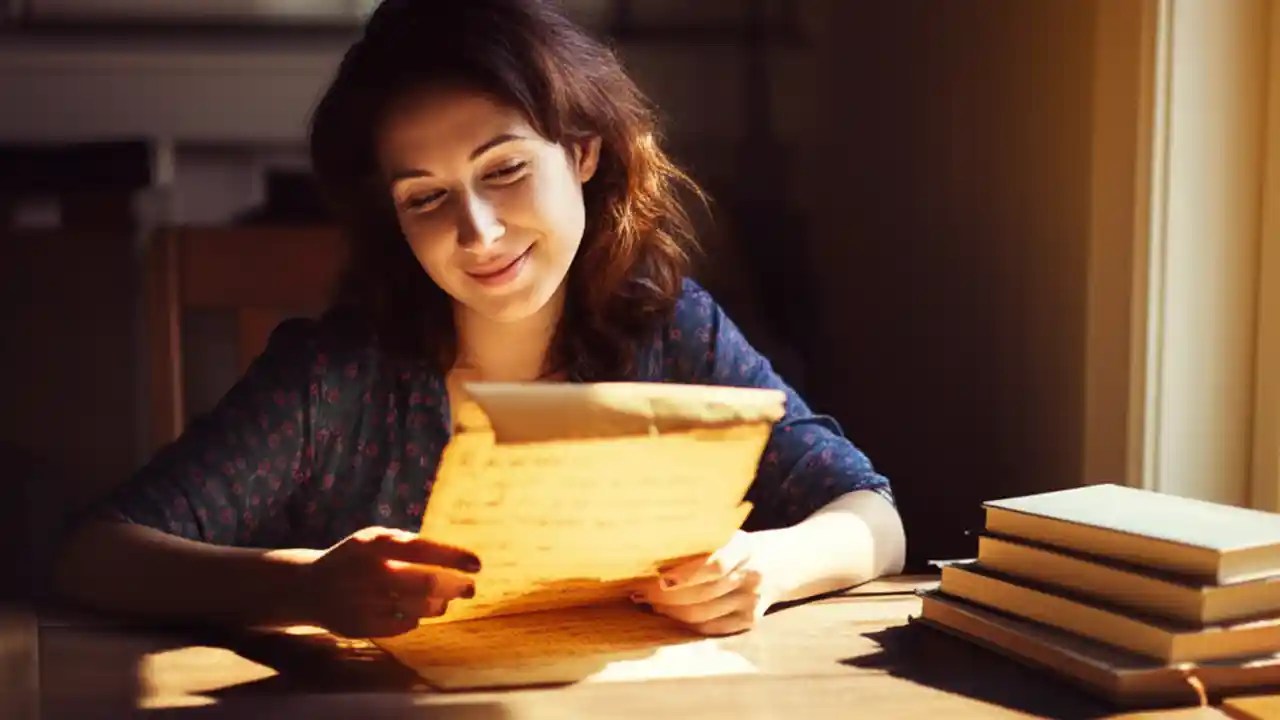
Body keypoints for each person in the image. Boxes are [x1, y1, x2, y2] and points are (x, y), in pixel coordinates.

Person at [53, 0, 906, 640]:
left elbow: (872, 517)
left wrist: (768, 565)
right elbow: (96, 553)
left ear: (582, 151)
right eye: (425, 196)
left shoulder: (667, 331)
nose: (479, 232)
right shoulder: (339, 379)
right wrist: (302, 588)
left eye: (504, 169)